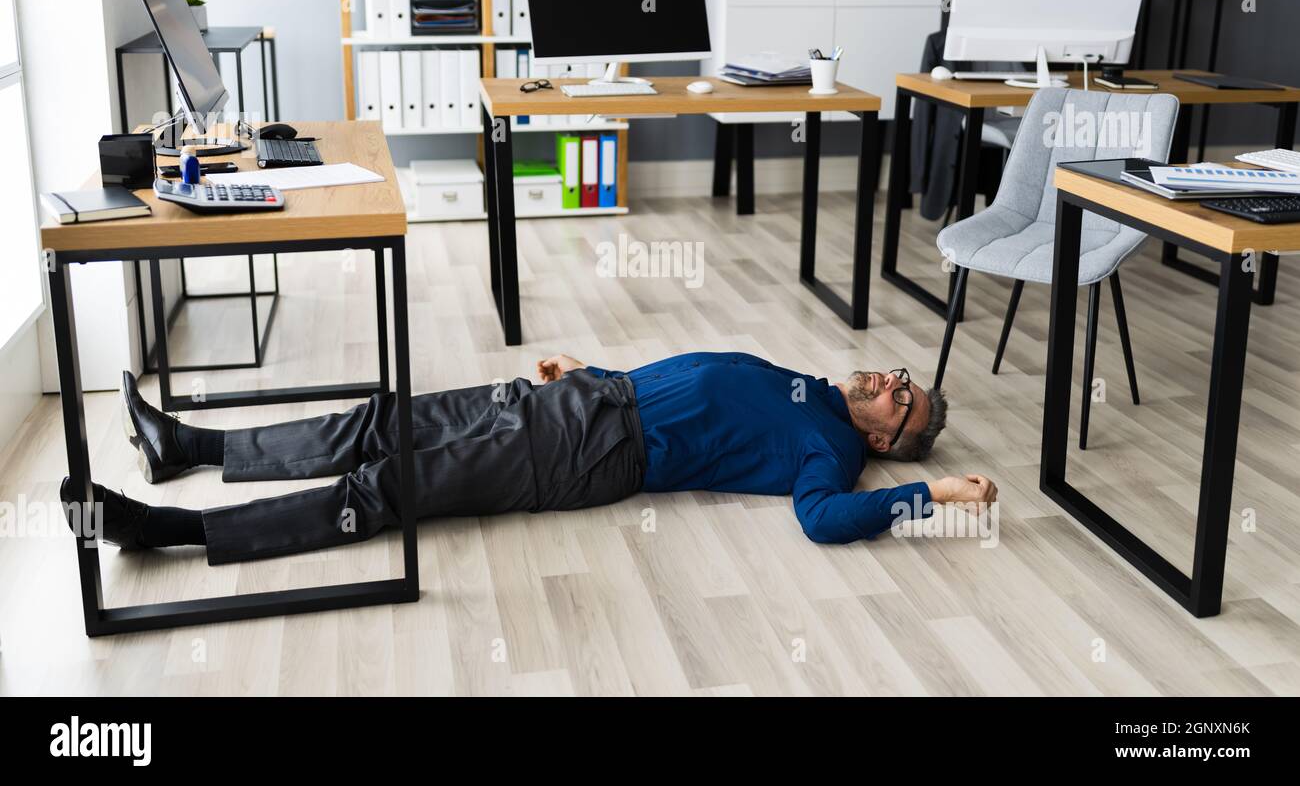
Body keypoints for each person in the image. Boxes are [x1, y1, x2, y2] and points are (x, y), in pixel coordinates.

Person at [60, 352, 996, 565]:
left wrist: (934, 493)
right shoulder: (815, 389)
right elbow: (702, 386)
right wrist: (588, 370)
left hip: (592, 451)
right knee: (379, 423)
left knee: (389, 486)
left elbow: (825, 522)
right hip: (583, 400)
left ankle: (164, 533)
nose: (889, 380)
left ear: (885, 437)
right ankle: (189, 443)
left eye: (899, 399)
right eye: (900, 376)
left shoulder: (830, 448)